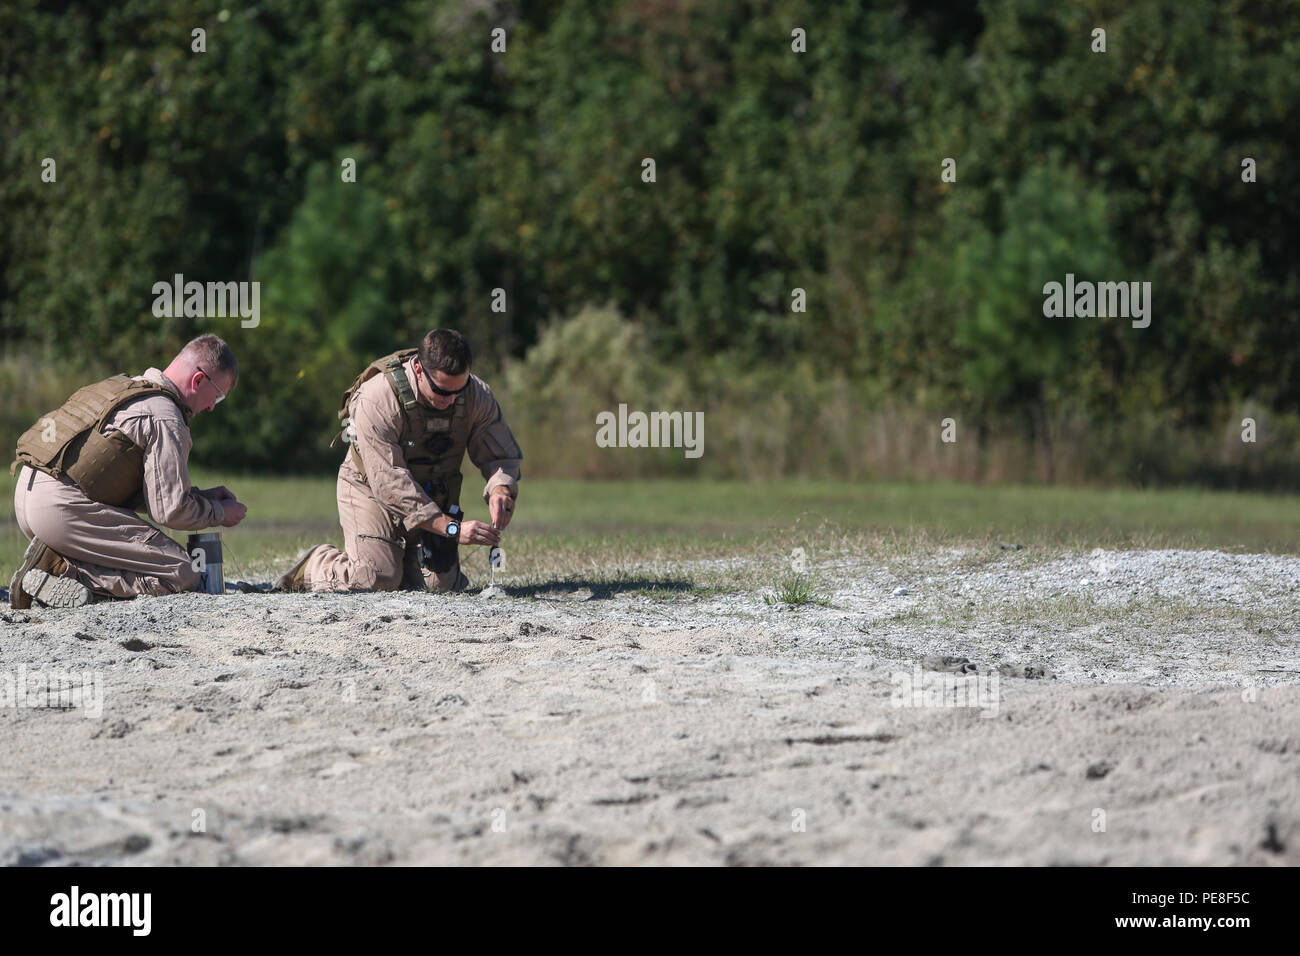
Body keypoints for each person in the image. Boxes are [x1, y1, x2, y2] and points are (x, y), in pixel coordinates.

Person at [8, 333, 247, 608]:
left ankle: (56, 560)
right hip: (62, 508)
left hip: (29, 494)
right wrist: (218, 513)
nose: (211, 408)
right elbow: (170, 511)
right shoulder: (165, 417)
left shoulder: (127, 387)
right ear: (198, 380)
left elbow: (122, 478)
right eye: (217, 398)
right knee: (182, 572)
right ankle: (61, 572)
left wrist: (199, 496)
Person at [275, 328, 521, 593]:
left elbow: (499, 453)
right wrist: (451, 529)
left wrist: (501, 489)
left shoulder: (475, 394)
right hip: (370, 490)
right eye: (442, 391)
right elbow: (389, 482)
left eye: (458, 392)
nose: (451, 400)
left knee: (439, 587)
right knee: (375, 578)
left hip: (431, 492)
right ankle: (318, 564)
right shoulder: (378, 398)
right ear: (418, 371)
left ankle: (399, 562)